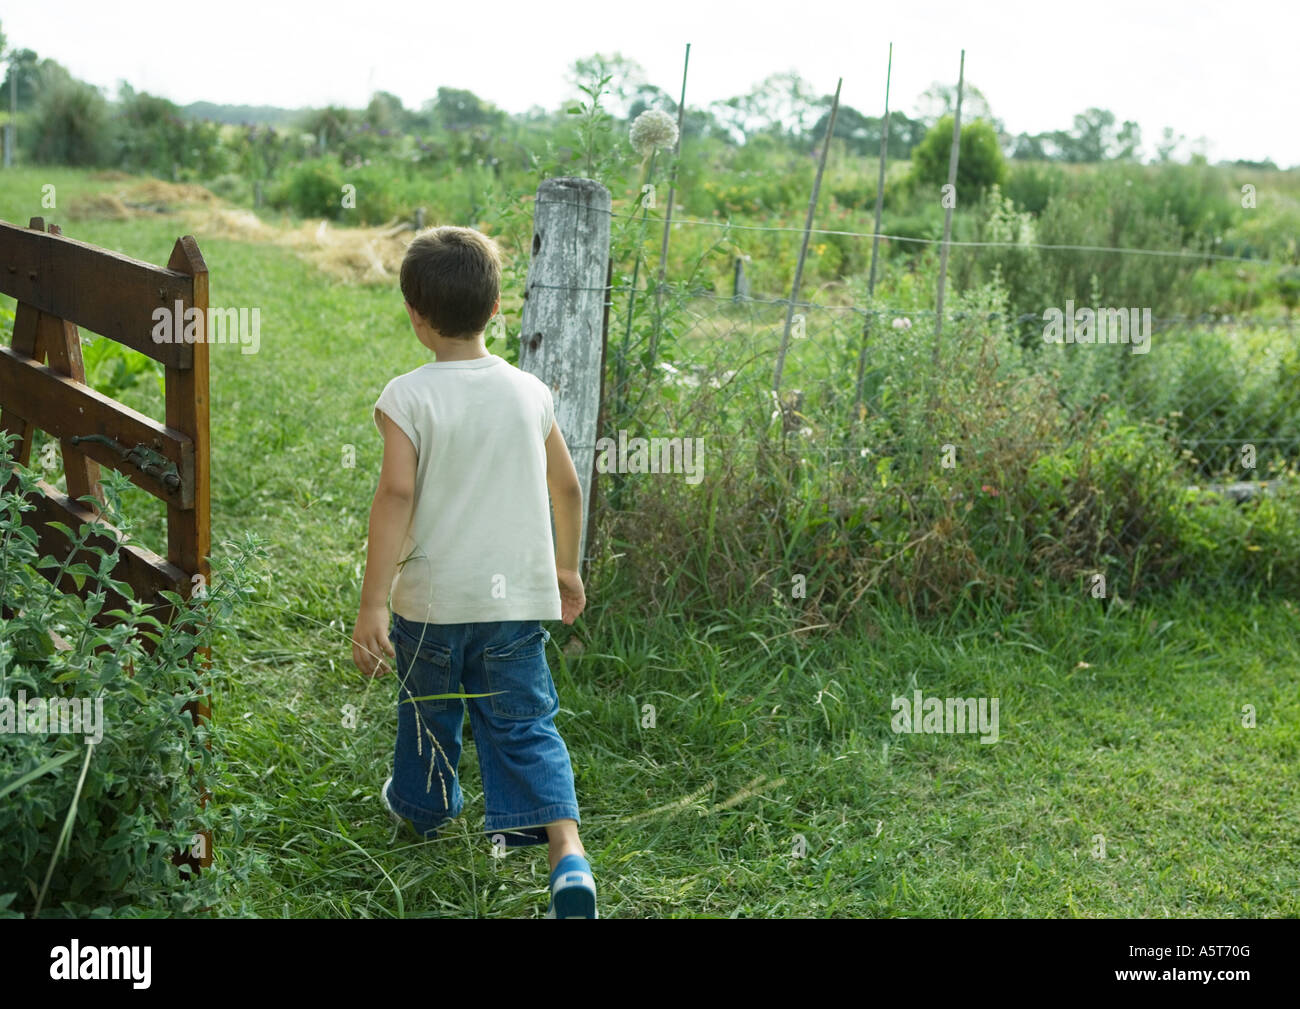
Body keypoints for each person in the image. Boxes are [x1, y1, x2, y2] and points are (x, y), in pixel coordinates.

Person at [350, 225, 595, 919]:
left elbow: (397, 494)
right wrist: (566, 570)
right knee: (525, 722)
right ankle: (567, 852)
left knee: (428, 712)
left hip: (432, 603)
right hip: (517, 600)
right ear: (496, 310)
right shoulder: (529, 391)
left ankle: (424, 808)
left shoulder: (407, 396)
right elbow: (568, 488)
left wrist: (372, 603)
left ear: (415, 317)